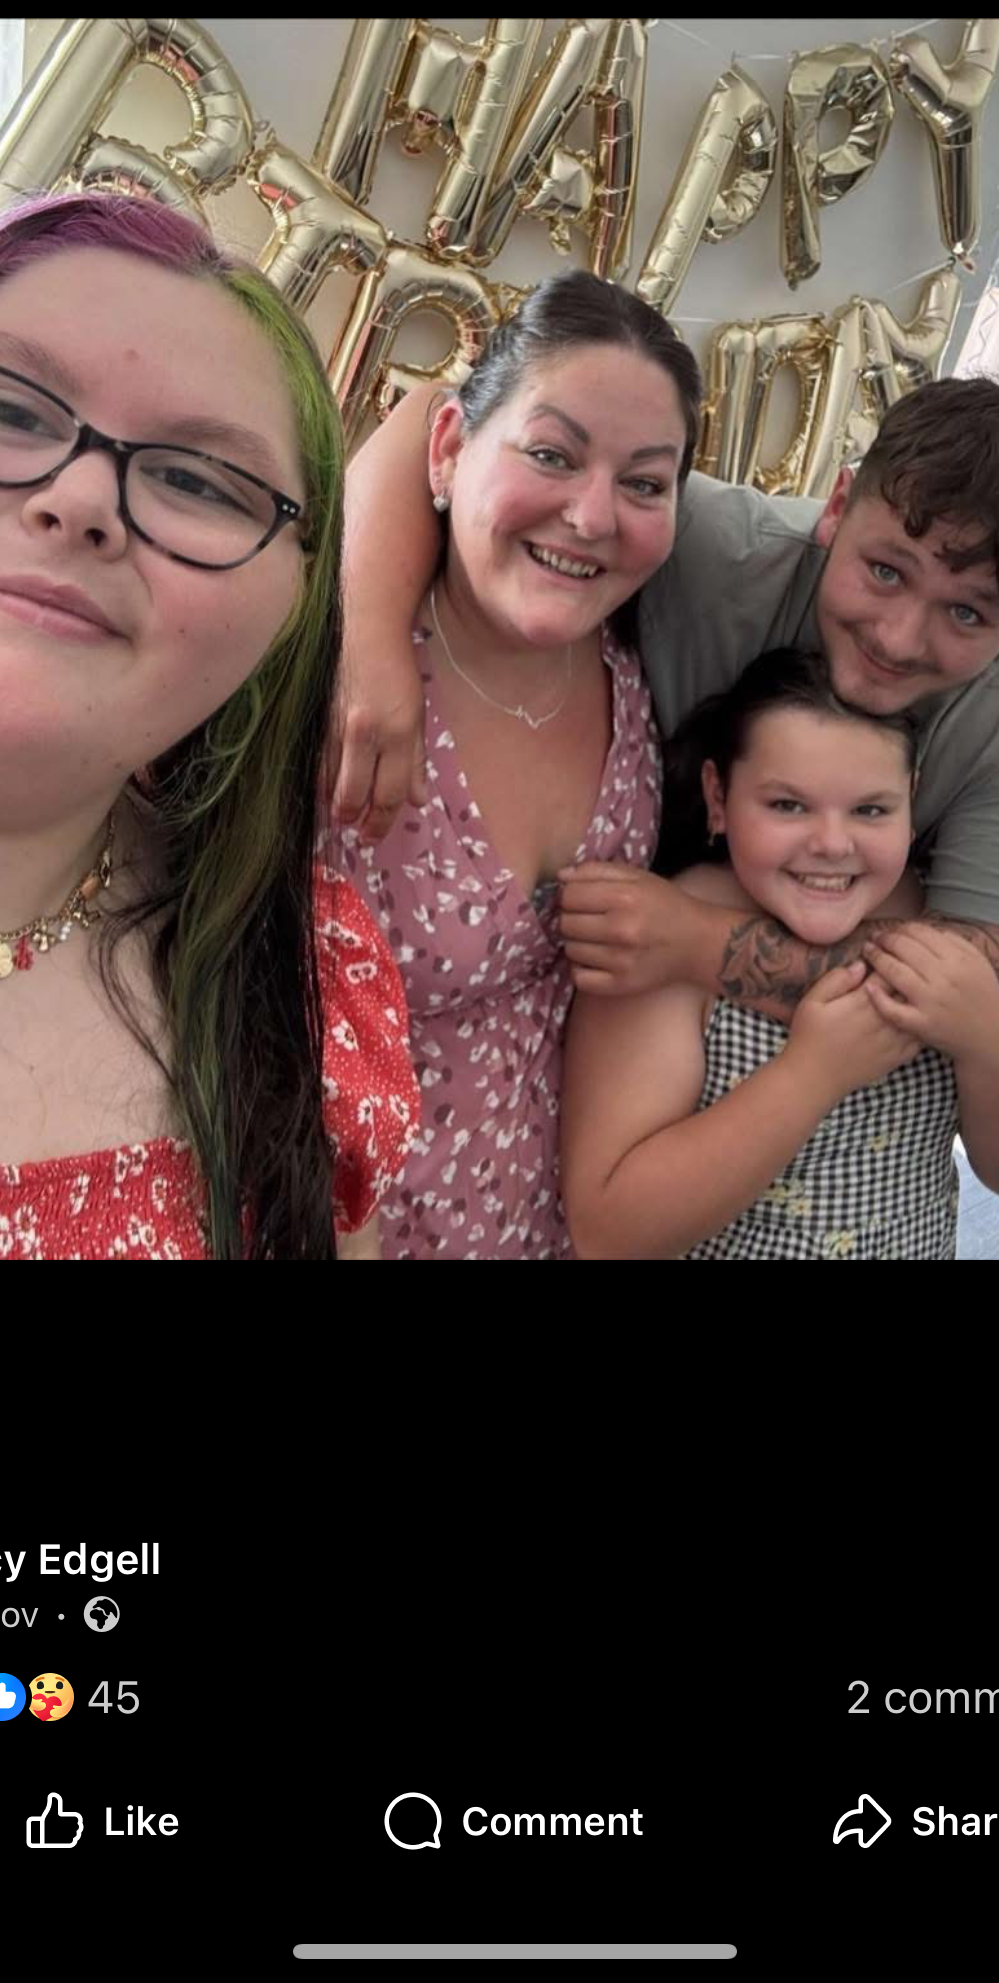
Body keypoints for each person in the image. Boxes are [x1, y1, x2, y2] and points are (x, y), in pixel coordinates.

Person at [0, 190, 418, 1260]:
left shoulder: (310, 978)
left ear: (292, 608)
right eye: (3, 409)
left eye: (195, 480)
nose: (82, 499)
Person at [336, 367, 999, 1028]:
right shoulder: (715, 544)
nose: (900, 639)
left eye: (967, 613)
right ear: (837, 505)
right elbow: (443, 410)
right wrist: (366, 644)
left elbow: (989, 976)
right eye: (885, 571)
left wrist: (695, 943)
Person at [330, 270, 702, 1257]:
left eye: (644, 483)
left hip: (555, 1224)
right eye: (551, 454)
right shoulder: (337, 689)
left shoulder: (647, 667)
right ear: (451, 452)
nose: (592, 516)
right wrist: (362, 636)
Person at [558, 650, 999, 1258]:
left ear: (912, 800)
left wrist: (989, 1042)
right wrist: (811, 1076)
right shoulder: (660, 938)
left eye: (870, 809)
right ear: (718, 796)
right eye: (788, 805)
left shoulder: (942, 924)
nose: (832, 844)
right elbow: (610, 1232)